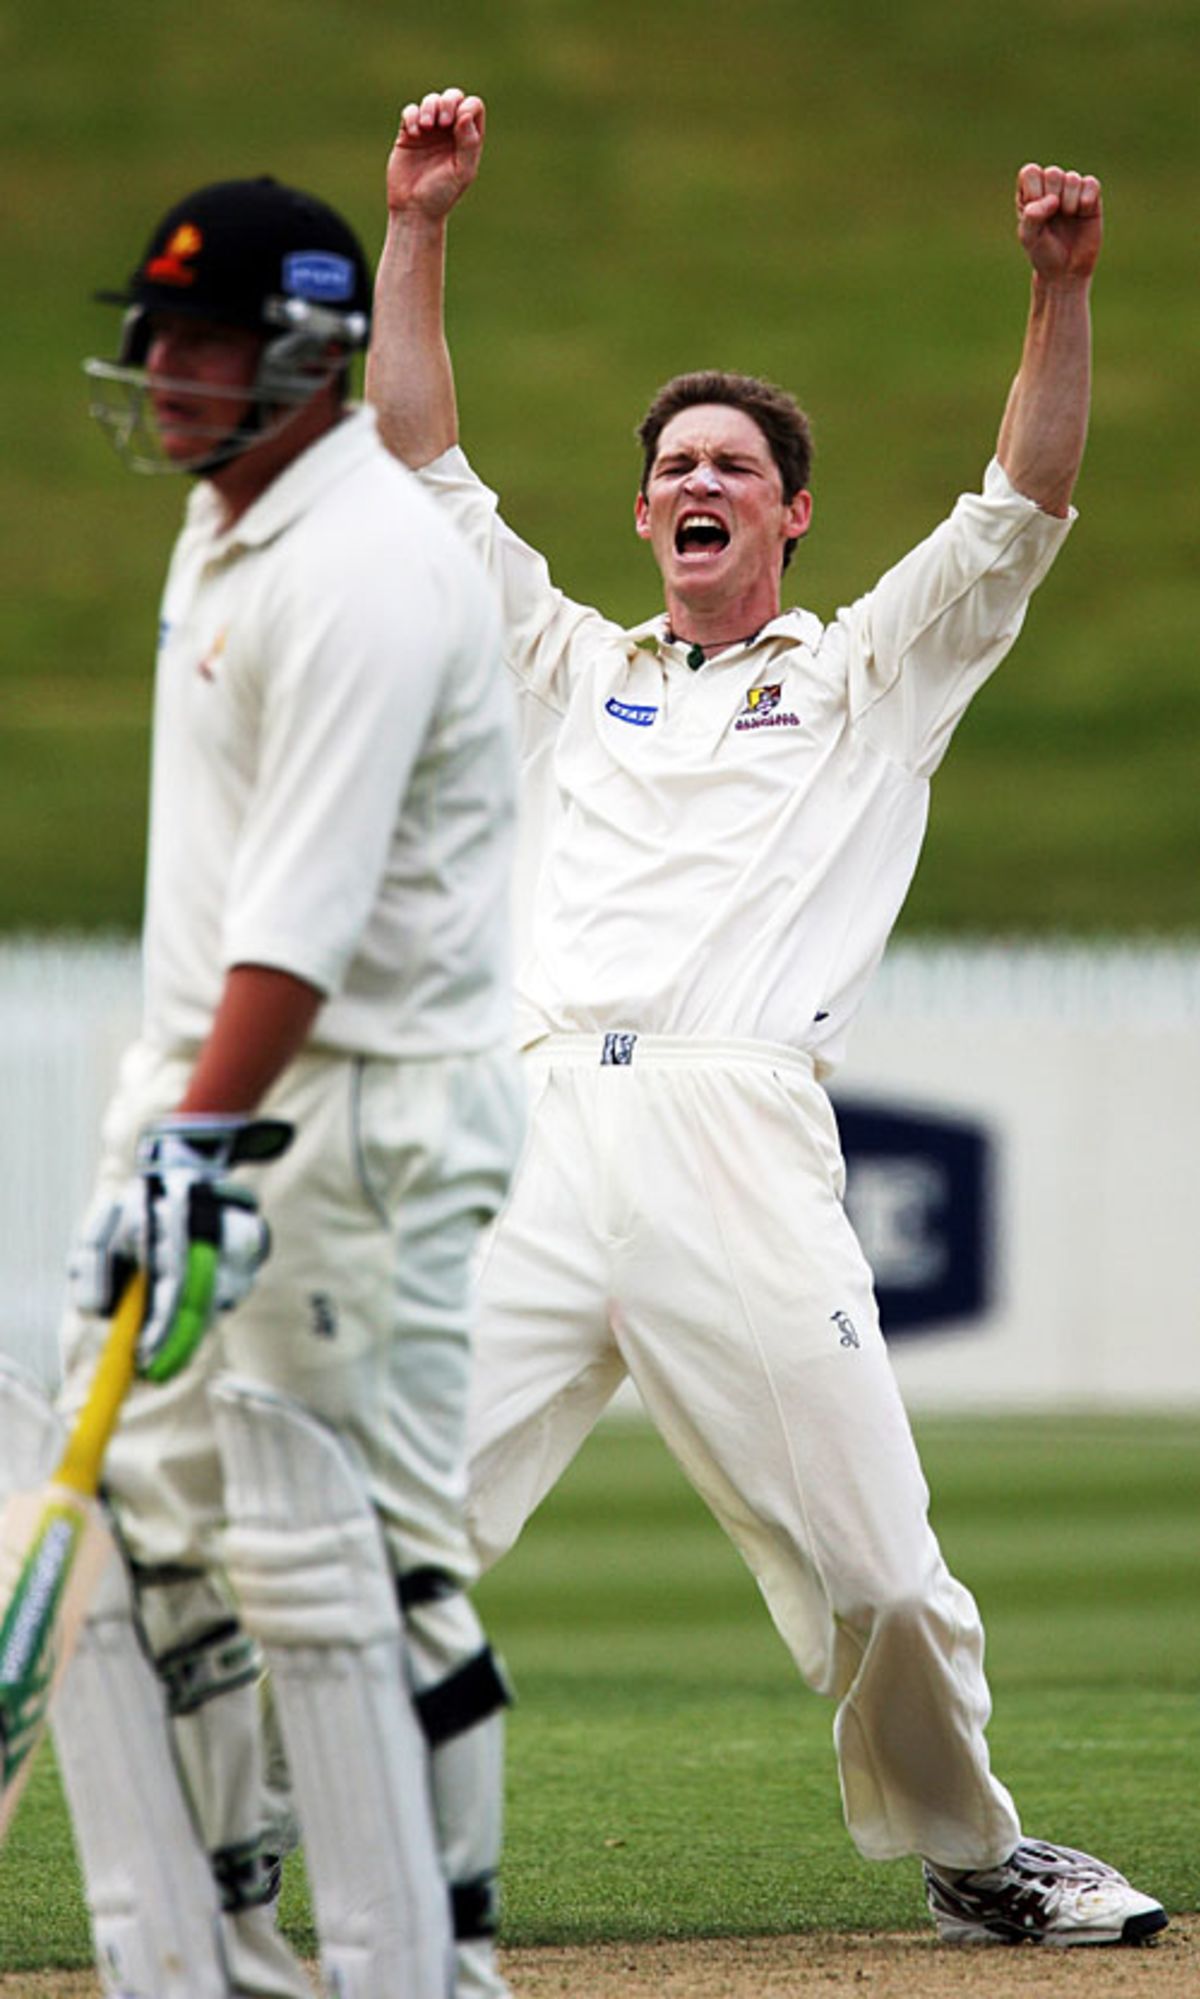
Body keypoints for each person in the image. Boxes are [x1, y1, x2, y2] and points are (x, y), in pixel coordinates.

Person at [364, 87, 1168, 1950]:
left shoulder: (868, 675)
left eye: (733, 463)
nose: (699, 482)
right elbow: (421, 468)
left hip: (739, 1139)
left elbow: (1024, 503)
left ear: (788, 514)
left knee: (882, 1574)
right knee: (376, 1514)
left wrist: (1060, 293)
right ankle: (280, 1852)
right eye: (674, 466)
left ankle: (979, 1855)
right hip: (540, 1135)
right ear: (646, 512)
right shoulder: (570, 668)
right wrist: (417, 226)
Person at [5, 174, 524, 1999]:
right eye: (156, 336)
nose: (160, 373)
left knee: (370, 1560)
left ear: (309, 354)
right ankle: (220, 1936)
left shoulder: (371, 567)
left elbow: (298, 931)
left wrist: (197, 1138)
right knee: (149, 1526)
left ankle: (440, 1964)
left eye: (205, 343)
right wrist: (173, 1132)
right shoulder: (231, 519)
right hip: (212, 1113)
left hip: (357, 1120)